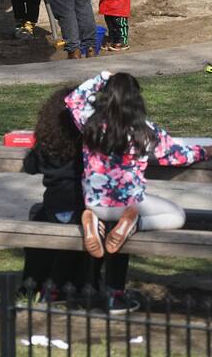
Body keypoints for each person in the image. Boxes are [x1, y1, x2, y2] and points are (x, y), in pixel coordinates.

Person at [65, 71, 212, 258]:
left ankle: (95, 222)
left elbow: (74, 99)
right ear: (136, 99)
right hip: (130, 203)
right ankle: (134, 224)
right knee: (177, 216)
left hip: (93, 203)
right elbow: (176, 156)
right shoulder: (146, 131)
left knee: (108, 211)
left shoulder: (90, 123)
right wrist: (203, 151)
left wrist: (102, 77)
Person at [21, 86, 132, 312]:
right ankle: (111, 291)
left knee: (45, 213)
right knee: (120, 224)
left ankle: (55, 286)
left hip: (54, 210)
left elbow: (30, 167)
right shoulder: (90, 145)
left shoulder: (48, 143)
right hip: (80, 210)